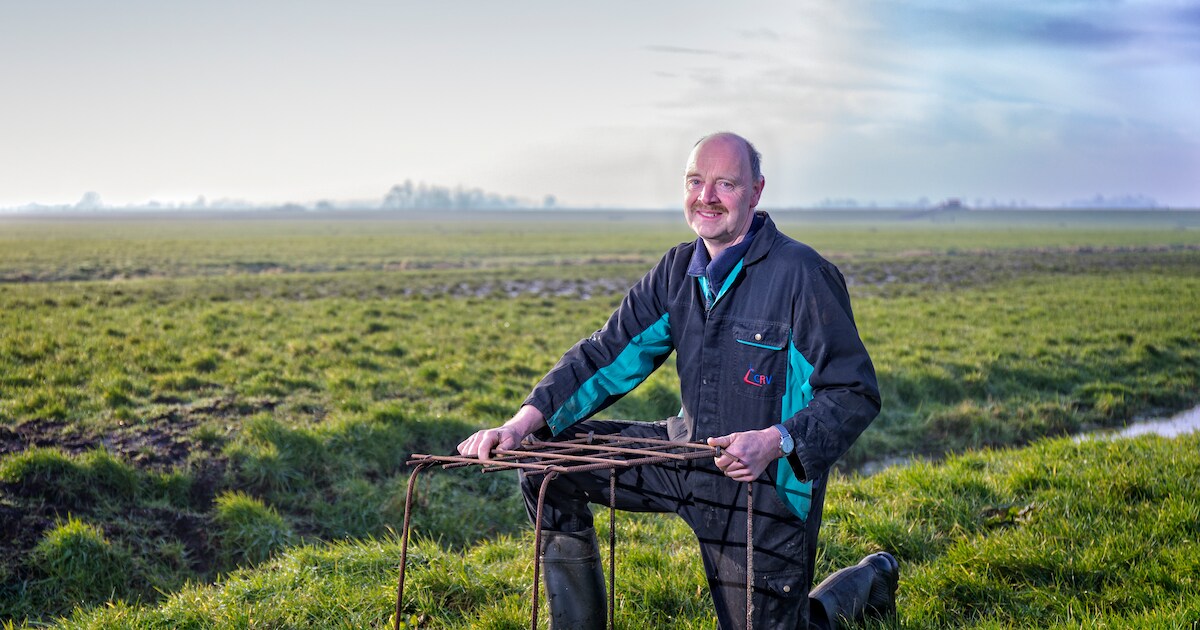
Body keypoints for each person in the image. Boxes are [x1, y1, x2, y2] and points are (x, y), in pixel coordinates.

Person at [458, 132, 897, 629]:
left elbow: (853, 392)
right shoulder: (677, 270)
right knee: (544, 462)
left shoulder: (803, 275)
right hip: (684, 455)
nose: (706, 196)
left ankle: (868, 581)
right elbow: (606, 354)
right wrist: (519, 424)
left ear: (756, 191)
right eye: (694, 181)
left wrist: (774, 442)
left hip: (763, 484)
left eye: (725, 184)